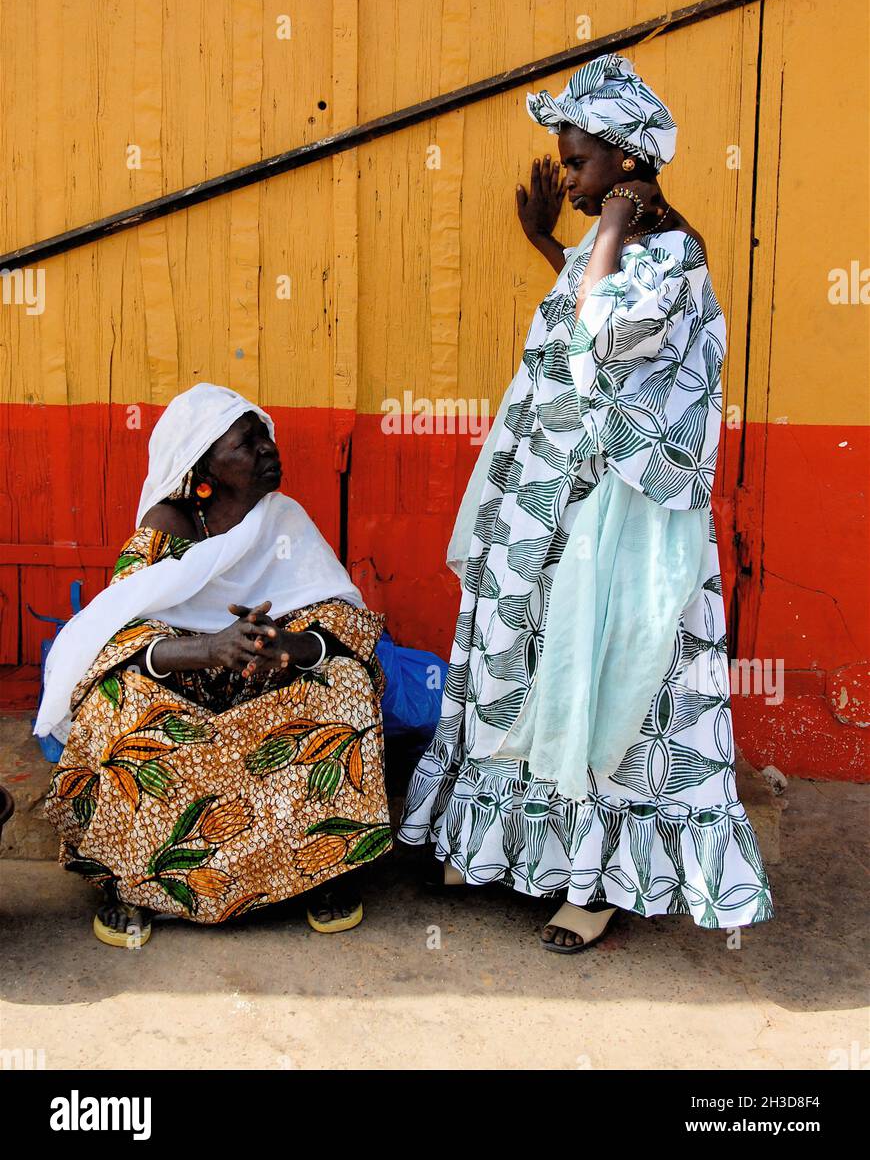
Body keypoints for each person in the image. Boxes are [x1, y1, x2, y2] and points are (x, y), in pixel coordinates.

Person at [398, 53, 774, 952]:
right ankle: (499, 849)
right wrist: (553, 244)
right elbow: (585, 311)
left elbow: (607, 331)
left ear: (630, 162)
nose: (564, 177)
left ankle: (596, 887)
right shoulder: (623, 249)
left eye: (578, 164)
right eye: (565, 162)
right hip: (544, 502)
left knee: (612, 688)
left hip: (618, 516)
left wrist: (603, 230)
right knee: (521, 665)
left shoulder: (674, 253)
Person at [38, 384, 391, 946]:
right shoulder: (169, 523)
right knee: (117, 701)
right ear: (204, 462)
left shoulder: (284, 520)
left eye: (265, 437)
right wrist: (206, 649)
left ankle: (321, 871)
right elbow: (118, 627)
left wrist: (287, 647)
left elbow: (338, 617)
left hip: (266, 678)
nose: (268, 450)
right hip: (182, 675)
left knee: (345, 686)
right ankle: (130, 882)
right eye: (246, 444)